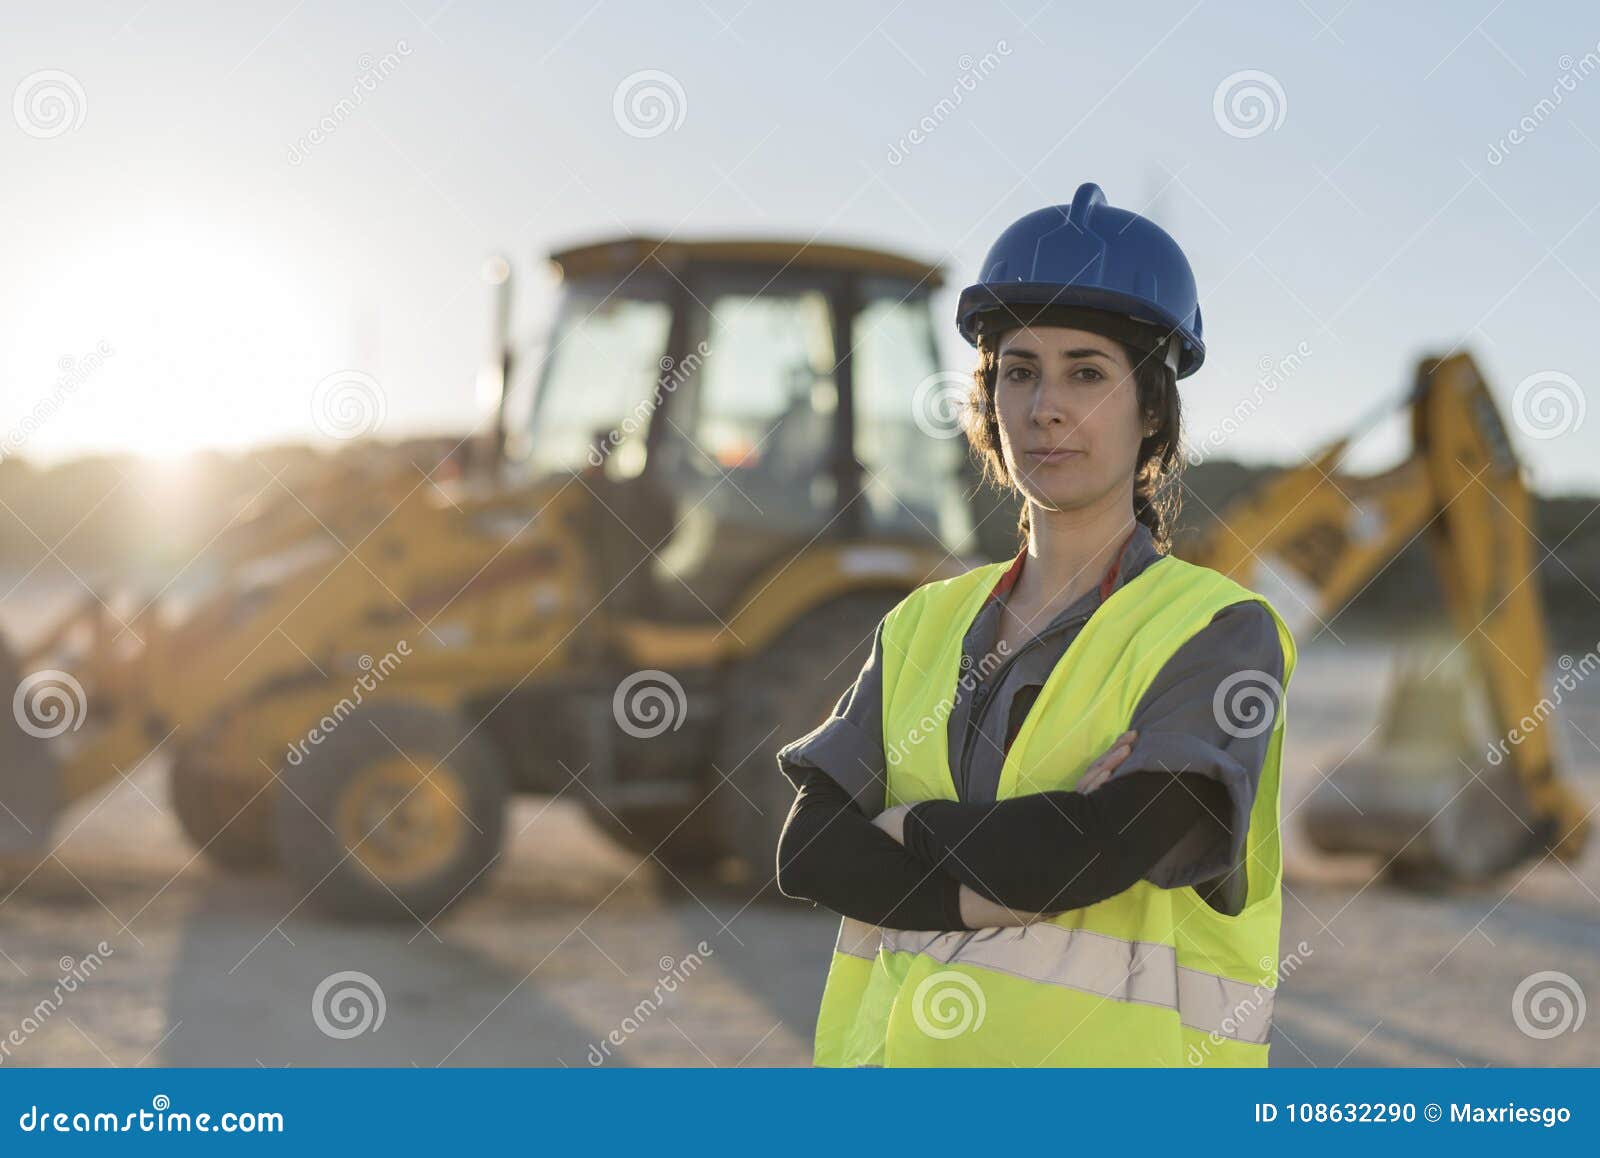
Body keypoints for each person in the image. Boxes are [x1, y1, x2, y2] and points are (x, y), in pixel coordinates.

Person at [773, 183, 1298, 1068]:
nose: (1046, 406)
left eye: (1087, 373)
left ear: (1154, 411)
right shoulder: (922, 623)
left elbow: (1110, 847)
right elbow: (812, 852)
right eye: (1020, 371)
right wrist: (997, 890)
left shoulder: (1218, 633)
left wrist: (908, 831)